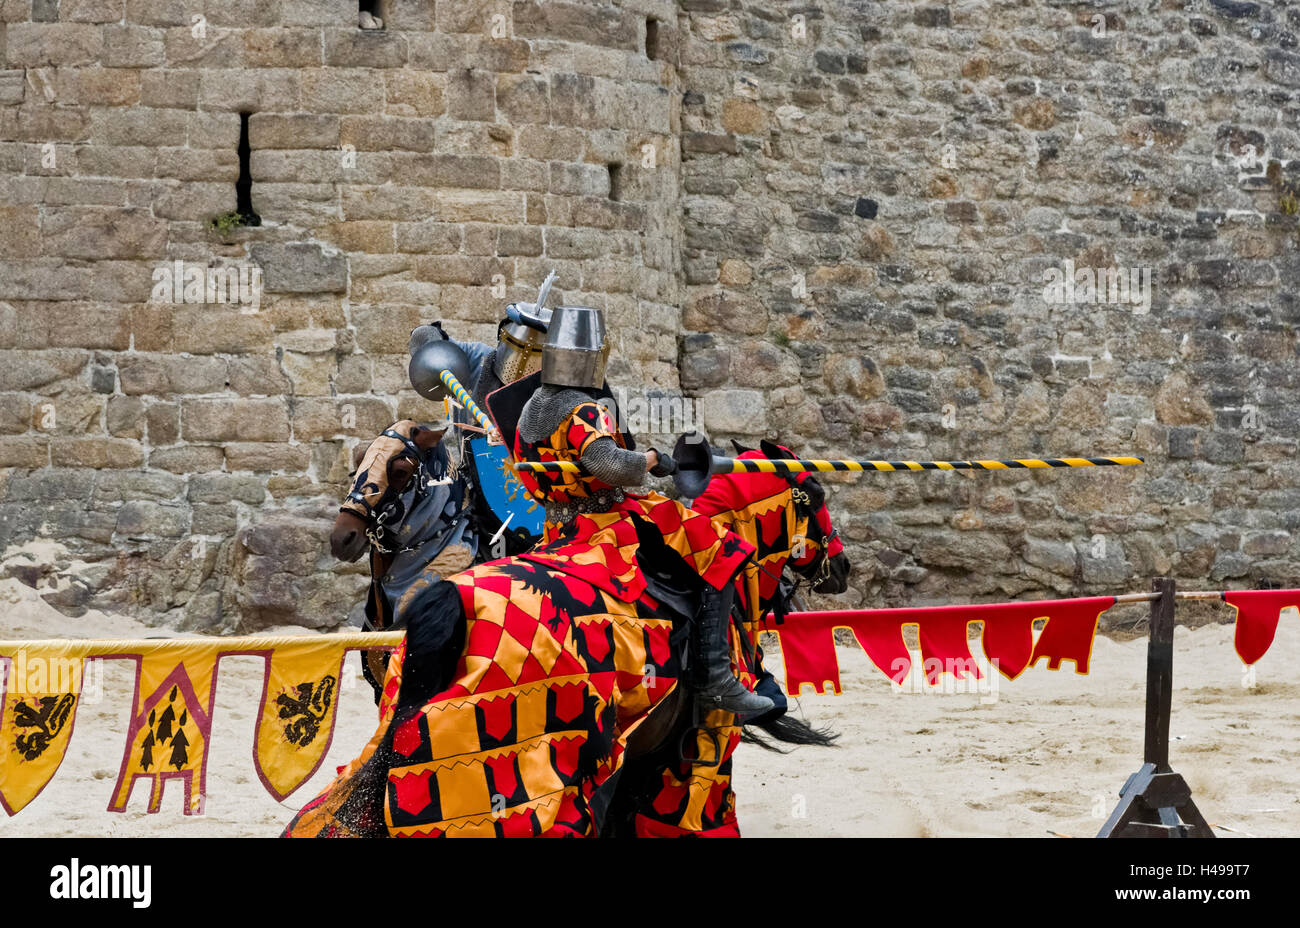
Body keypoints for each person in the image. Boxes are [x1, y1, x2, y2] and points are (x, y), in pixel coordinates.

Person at [513, 306, 773, 719]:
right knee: (722, 547)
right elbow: (606, 463)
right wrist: (649, 459)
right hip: (606, 521)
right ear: (594, 356)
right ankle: (715, 676)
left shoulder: (530, 409)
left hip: (556, 522)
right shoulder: (584, 408)